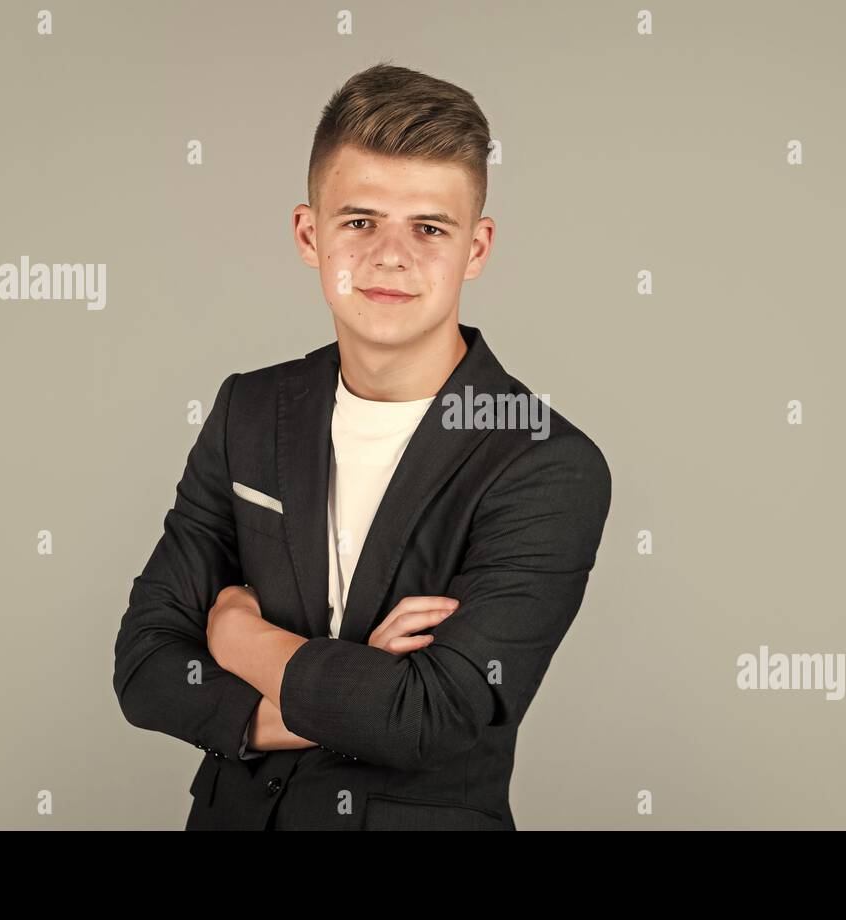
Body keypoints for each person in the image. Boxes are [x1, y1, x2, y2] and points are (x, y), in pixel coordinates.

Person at [112, 62, 611, 830]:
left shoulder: (546, 463)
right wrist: (354, 685)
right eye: (359, 221)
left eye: (429, 229)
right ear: (310, 234)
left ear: (475, 249)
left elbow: (427, 721)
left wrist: (236, 634)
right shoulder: (249, 409)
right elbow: (146, 669)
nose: (390, 257)